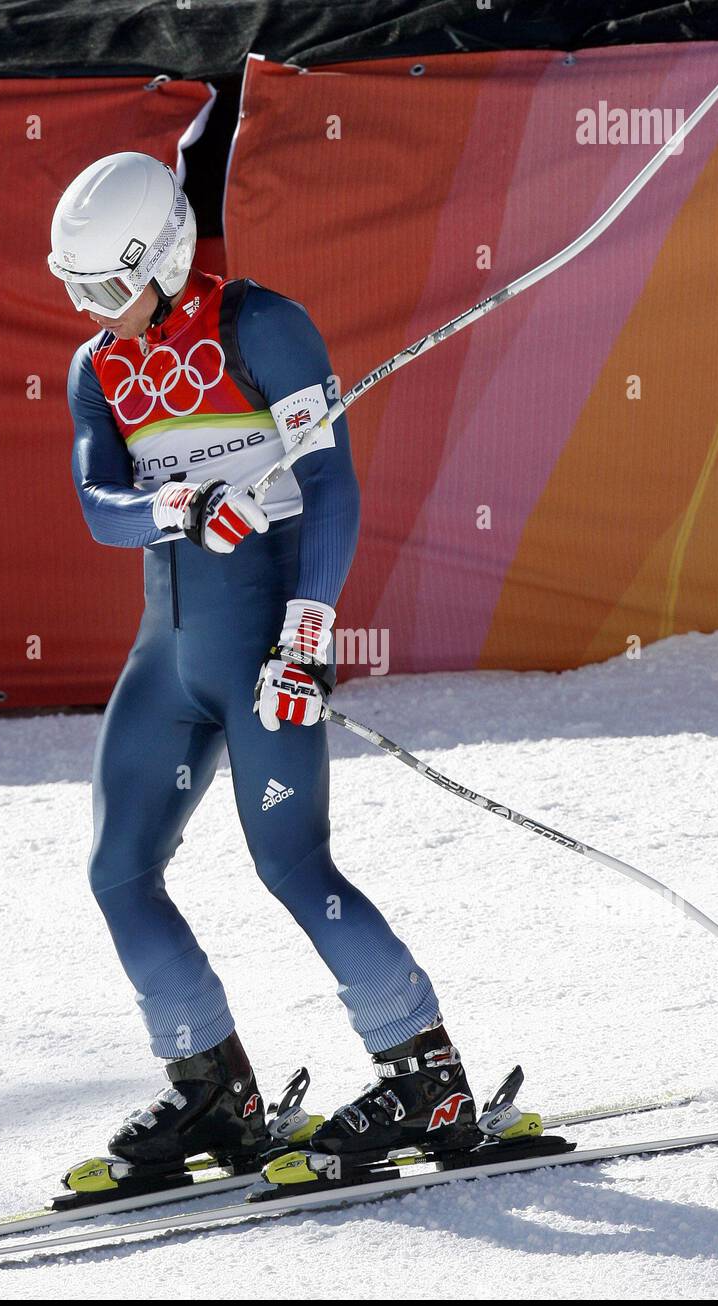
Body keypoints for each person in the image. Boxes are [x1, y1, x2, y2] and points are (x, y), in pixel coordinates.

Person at [48, 150, 476, 1173]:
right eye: (77, 291)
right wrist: (182, 505)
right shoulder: (96, 367)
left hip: (261, 651)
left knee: (290, 863)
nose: (98, 310)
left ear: (167, 255)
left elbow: (331, 488)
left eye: (111, 286)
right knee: (119, 870)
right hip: (172, 655)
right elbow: (97, 508)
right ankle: (213, 1092)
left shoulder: (262, 326)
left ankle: (427, 1078)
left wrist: (307, 633)